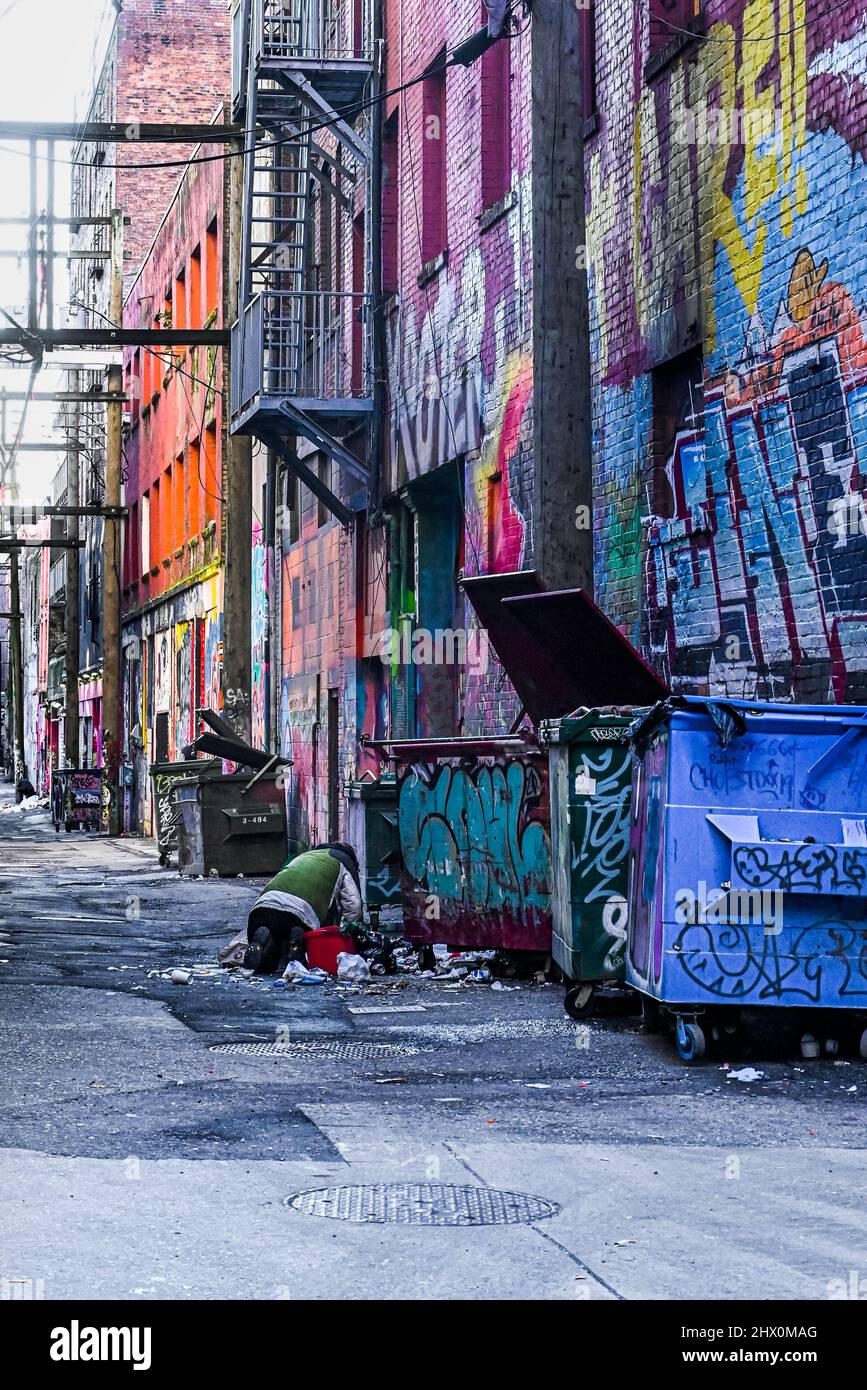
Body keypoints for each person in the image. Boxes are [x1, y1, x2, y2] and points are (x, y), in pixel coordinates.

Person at [239, 842, 364, 975]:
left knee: (275, 935)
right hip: (301, 910)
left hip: (265, 903)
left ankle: (264, 947)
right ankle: (298, 942)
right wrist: (349, 936)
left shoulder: (303, 857)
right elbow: (353, 906)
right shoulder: (344, 861)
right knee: (298, 925)